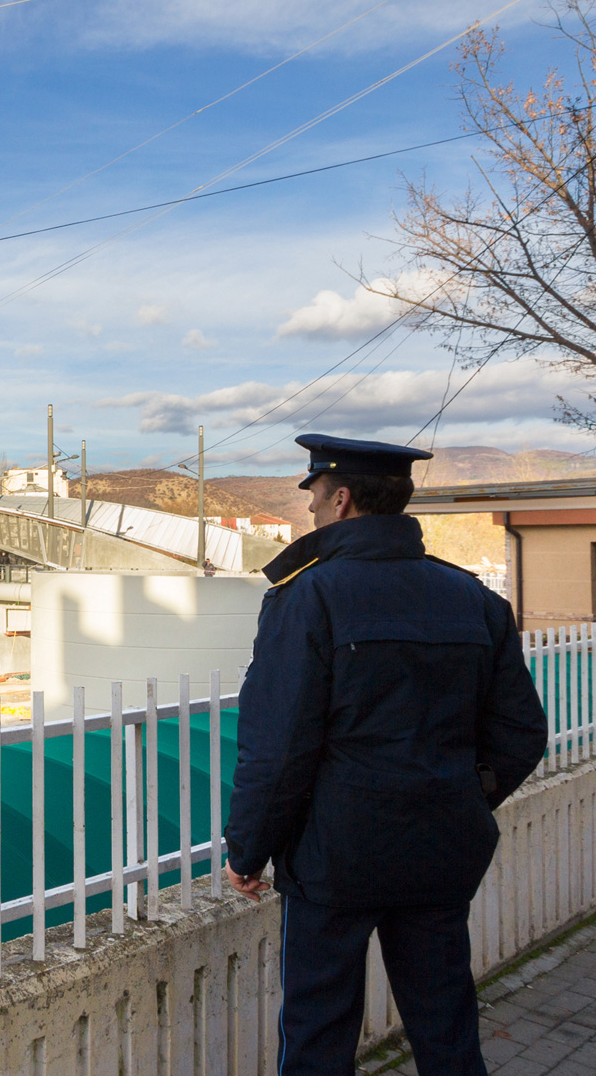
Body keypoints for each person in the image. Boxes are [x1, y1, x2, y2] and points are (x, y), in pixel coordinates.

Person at [223, 433, 548, 1076]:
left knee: (318, 1030)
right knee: (446, 1019)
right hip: (442, 845)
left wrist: (248, 849)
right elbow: (520, 732)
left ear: (341, 499)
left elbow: (279, 747)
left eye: (315, 497)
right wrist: (463, 794)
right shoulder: (475, 599)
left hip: (336, 854)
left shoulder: (308, 595)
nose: (311, 510)